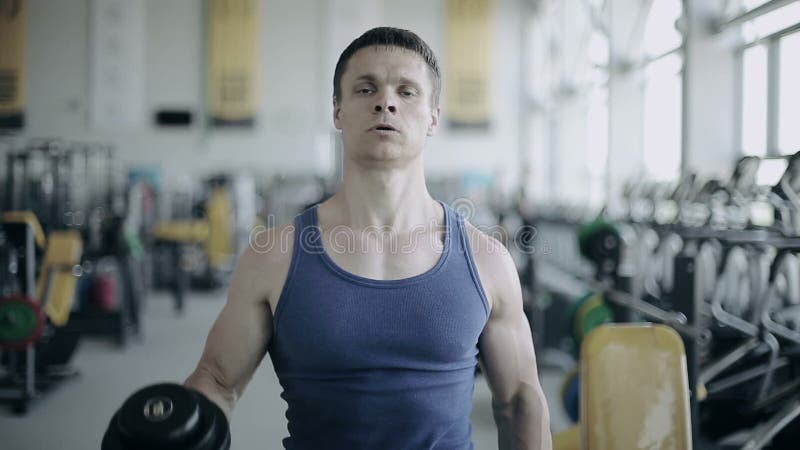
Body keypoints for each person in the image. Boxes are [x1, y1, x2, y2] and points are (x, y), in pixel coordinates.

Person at [185, 27, 552, 450]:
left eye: (407, 91)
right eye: (365, 88)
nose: (386, 102)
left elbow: (521, 401)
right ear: (338, 111)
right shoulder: (274, 257)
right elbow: (216, 381)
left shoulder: (487, 260)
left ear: (434, 116)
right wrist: (172, 423)